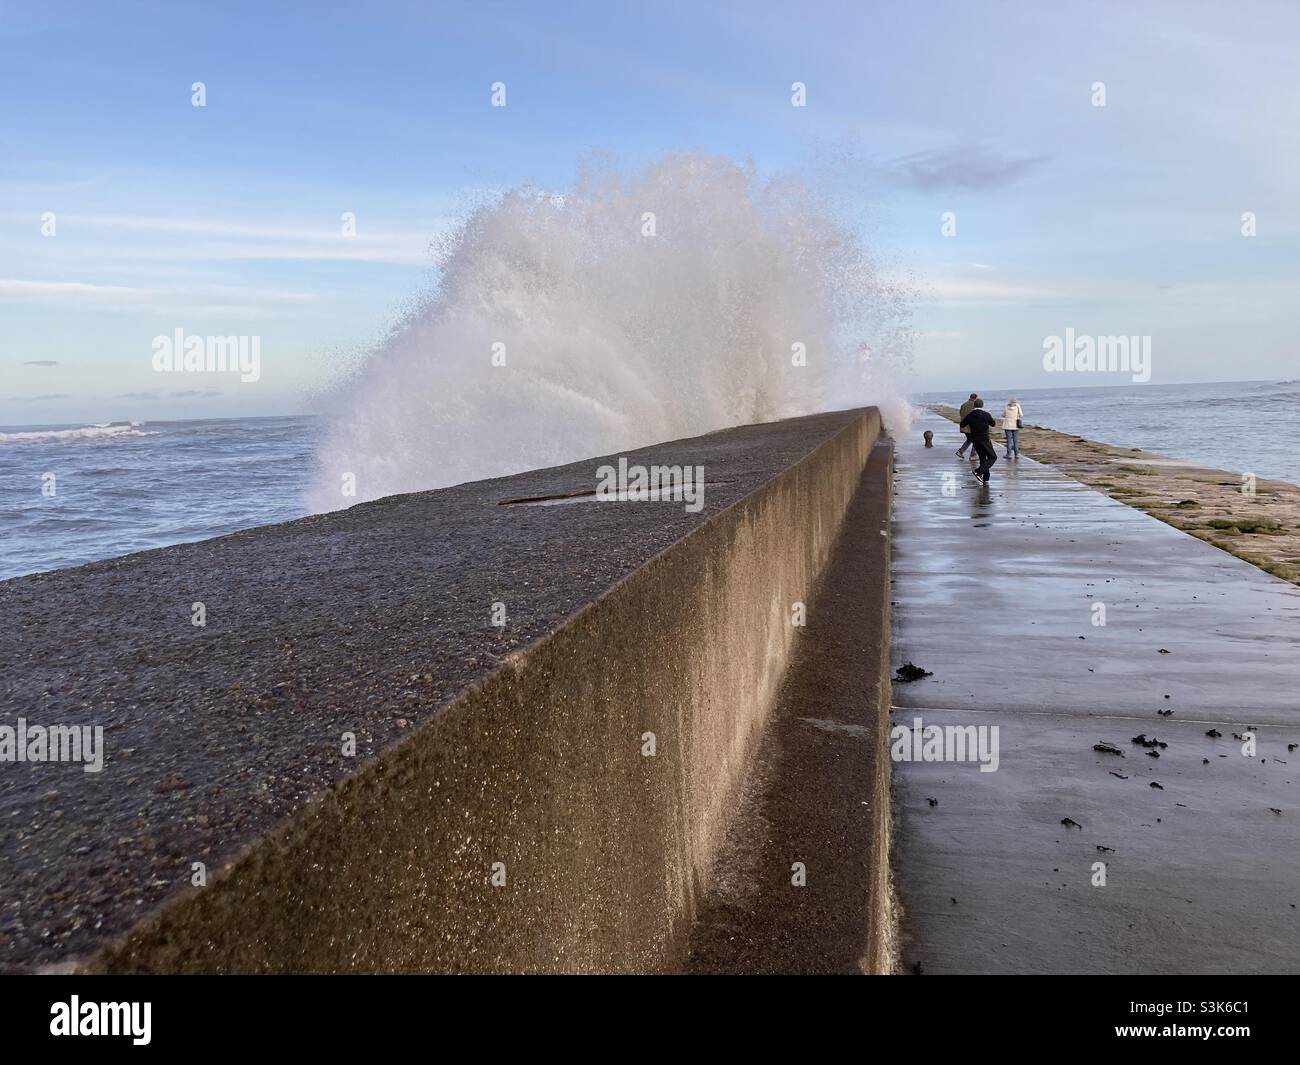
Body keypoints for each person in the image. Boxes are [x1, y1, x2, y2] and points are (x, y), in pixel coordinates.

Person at [959, 398, 998, 483]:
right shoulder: (986, 414)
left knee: (982, 458)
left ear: (974, 405)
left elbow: (962, 424)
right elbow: (993, 424)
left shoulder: (970, 415)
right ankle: (978, 471)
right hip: (984, 439)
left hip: (975, 440)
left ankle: (985, 478)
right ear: (982, 405)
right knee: (993, 457)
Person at [956, 393, 979, 458]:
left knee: (969, 439)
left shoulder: (963, 404)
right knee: (976, 441)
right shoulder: (974, 405)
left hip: (964, 426)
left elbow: (960, 413)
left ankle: (960, 452)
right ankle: (973, 456)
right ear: (975, 398)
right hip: (971, 427)